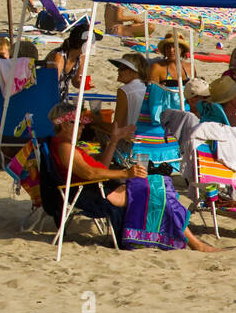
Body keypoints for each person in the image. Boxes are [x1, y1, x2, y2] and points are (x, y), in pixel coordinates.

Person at [49, 105, 220, 251]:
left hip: (97, 186)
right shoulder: (65, 147)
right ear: (64, 125)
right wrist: (125, 174)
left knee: (160, 189)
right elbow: (90, 174)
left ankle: (191, 242)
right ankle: (195, 243)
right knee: (158, 192)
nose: (81, 128)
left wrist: (114, 140)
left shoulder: (69, 146)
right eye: (77, 124)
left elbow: (100, 167)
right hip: (91, 191)